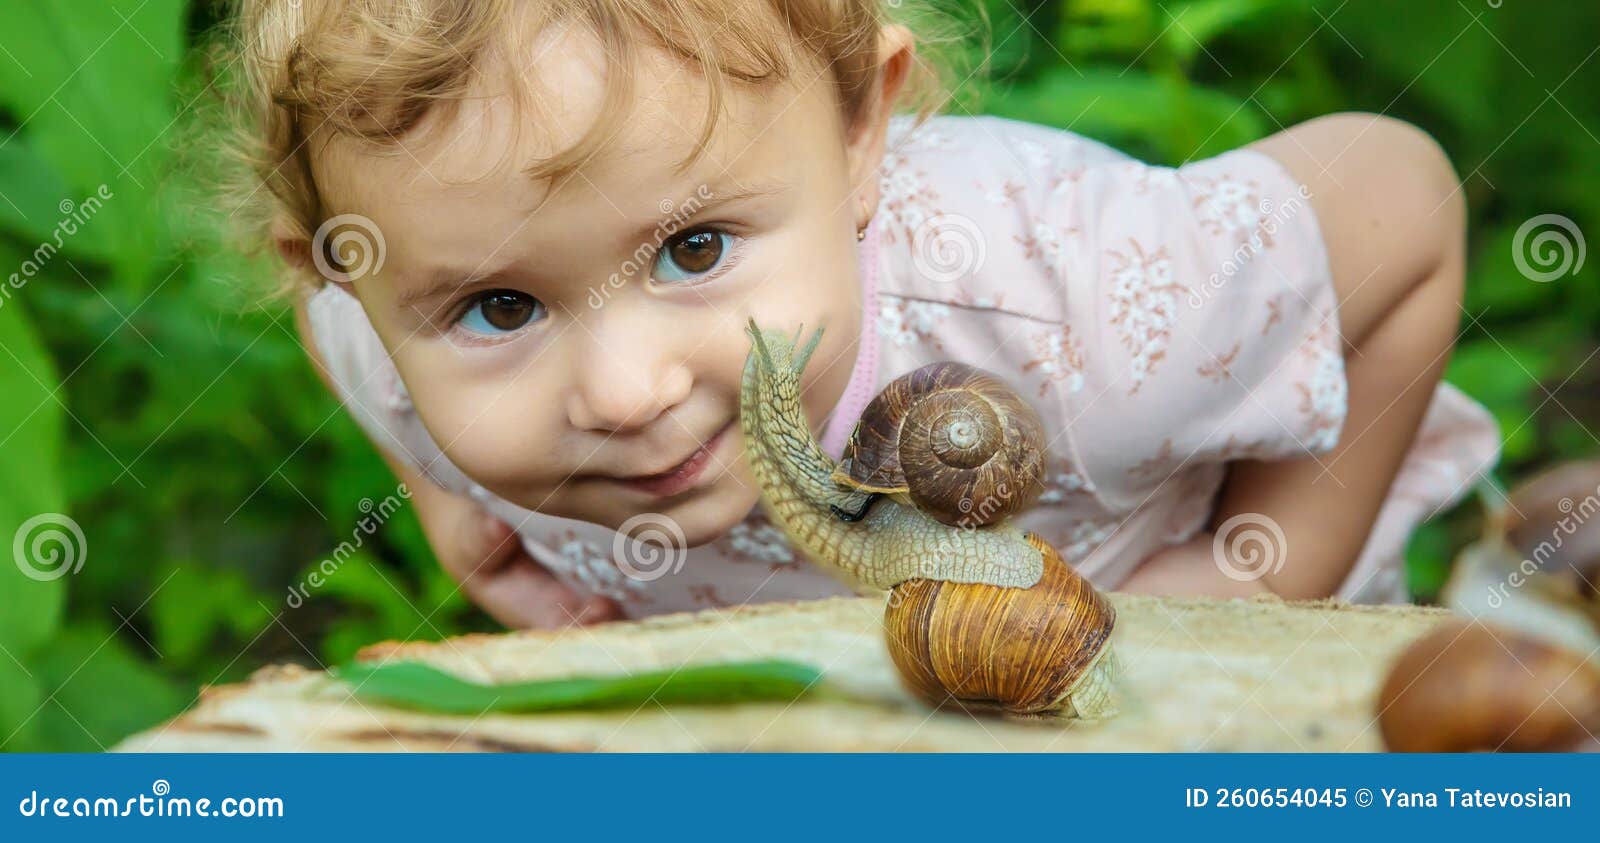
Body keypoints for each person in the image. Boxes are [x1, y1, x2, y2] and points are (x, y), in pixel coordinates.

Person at [226, 0, 1500, 628]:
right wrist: (450, 505)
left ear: (858, 131)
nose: (623, 393)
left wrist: (1245, 583)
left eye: (696, 247)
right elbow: (337, 329)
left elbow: (1404, 195)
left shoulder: (1081, 318)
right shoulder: (392, 329)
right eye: (501, 306)